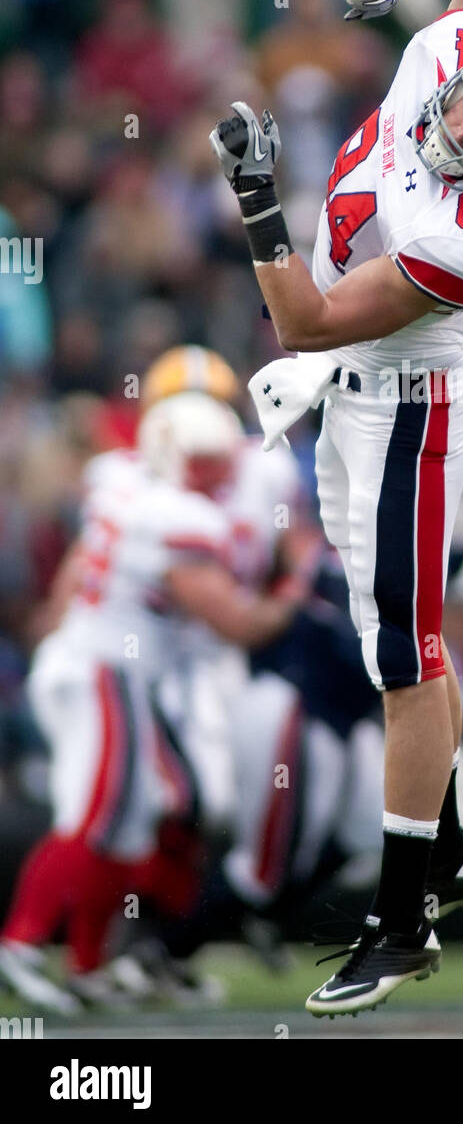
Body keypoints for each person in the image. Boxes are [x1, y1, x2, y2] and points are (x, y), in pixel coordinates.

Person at [209, 0, 463, 1016]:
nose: (462, 127)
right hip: (350, 398)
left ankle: (402, 918)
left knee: (404, 652)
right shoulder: (451, 49)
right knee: (396, 643)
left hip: (405, 410)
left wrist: (253, 191)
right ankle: (451, 841)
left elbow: (306, 318)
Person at [0, 392, 301, 1013]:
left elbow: (85, 558)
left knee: (132, 823)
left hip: (109, 665)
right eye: (203, 461)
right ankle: (21, 946)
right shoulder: (176, 516)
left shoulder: (122, 483)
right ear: (172, 456)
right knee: (96, 815)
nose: (219, 474)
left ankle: (86, 965)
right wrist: (296, 585)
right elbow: (236, 625)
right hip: (104, 669)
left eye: (221, 460)